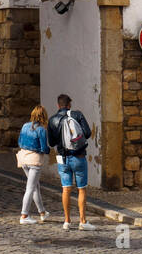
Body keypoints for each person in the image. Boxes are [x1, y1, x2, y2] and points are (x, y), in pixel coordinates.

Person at [48, 93, 96, 230]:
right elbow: (87, 133)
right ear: (69, 105)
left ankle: (67, 221)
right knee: (81, 189)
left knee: (66, 189)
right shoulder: (77, 115)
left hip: (62, 158)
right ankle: (82, 221)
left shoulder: (52, 120)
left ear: (58, 105)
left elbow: (51, 143)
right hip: (78, 156)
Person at [15, 105, 52, 224]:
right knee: (30, 188)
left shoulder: (25, 126)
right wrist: (48, 151)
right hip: (34, 160)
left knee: (35, 187)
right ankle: (24, 215)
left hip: (23, 158)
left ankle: (42, 212)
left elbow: (19, 142)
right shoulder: (41, 130)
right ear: (43, 116)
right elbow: (43, 148)